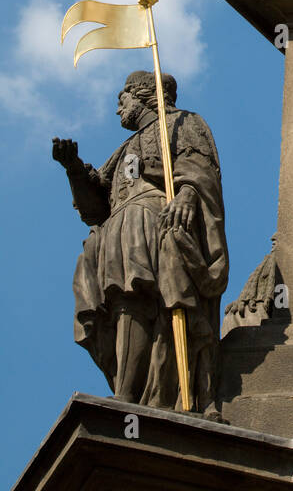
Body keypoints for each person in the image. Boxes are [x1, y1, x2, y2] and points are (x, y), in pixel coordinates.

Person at [52, 70, 228, 413]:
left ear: (144, 94)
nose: (118, 110)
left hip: (150, 220)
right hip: (115, 231)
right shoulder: (124, 150)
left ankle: (129, 395)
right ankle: (128, 388)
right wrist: (72, 167)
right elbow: (95, 208)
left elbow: (200, 170)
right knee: (119, 304)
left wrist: (188, 193)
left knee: (133, 295)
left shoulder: (181, 123)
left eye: (123, 100)